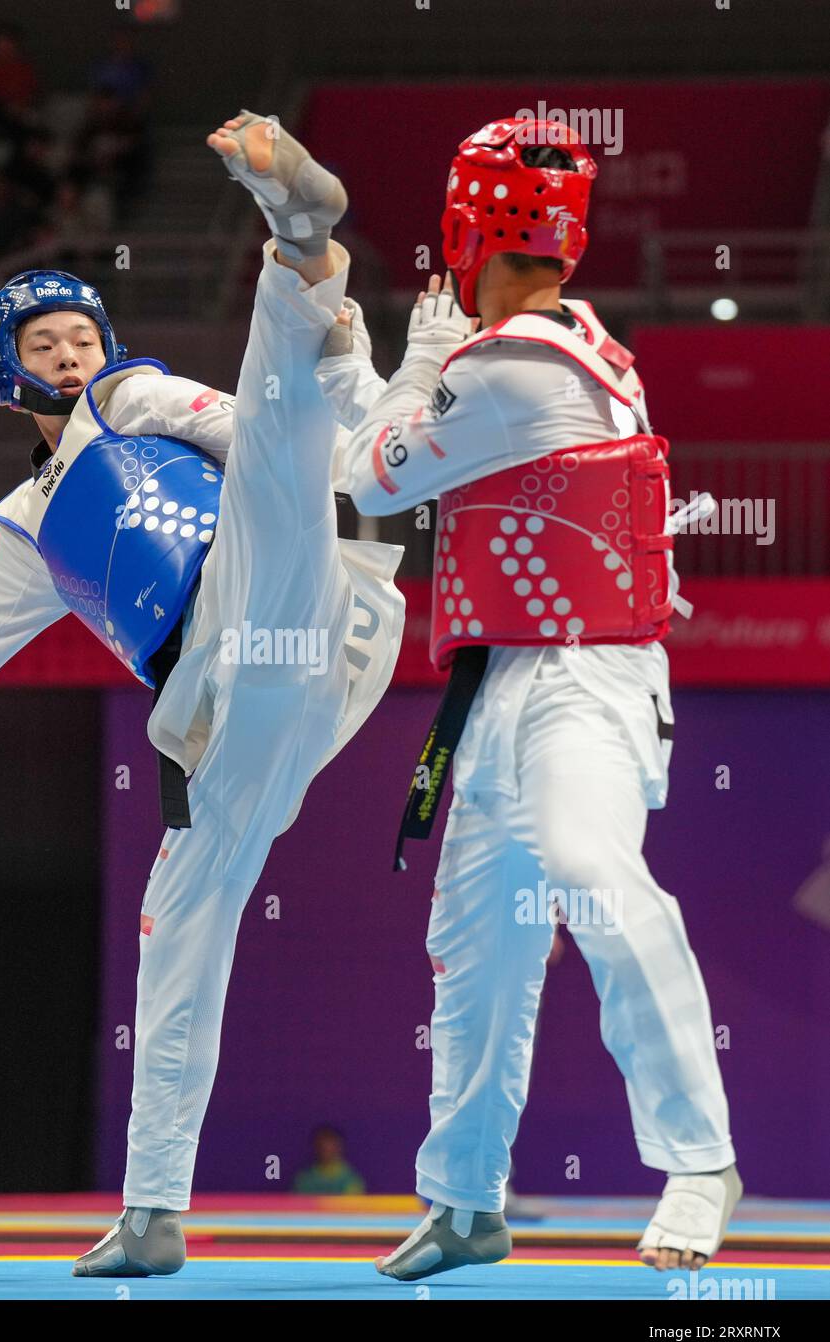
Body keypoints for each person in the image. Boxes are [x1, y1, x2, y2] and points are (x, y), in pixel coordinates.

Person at [0, 109, 407, 1277]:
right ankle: (155, 1212)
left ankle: (298, 239)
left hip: (284, 606)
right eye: (47, 345)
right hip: (236, 725)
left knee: (275, 453)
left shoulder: (134, 399)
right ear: (8, 374)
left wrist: (364, 421)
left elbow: (256, 430)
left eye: (82, 336)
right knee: (176, 948)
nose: (71, 356)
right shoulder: (27, 537)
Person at [319, 117, 740, 1280]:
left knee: (591, 868)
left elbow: (364, 475)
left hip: (583, 679)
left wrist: (414, 358)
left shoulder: (509, 368)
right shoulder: (580, 335)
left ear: (464, 231)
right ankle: (464, 1204)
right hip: (507, 676)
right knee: (476, 946)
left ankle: (701, 1159)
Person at [293, 1125, 365, 1196]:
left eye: (331, 1144)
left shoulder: (352, 1180)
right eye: (321, 1145)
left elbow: (351, 1206)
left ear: (339, 1147)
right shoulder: (303, 1179)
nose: (326, 1149)